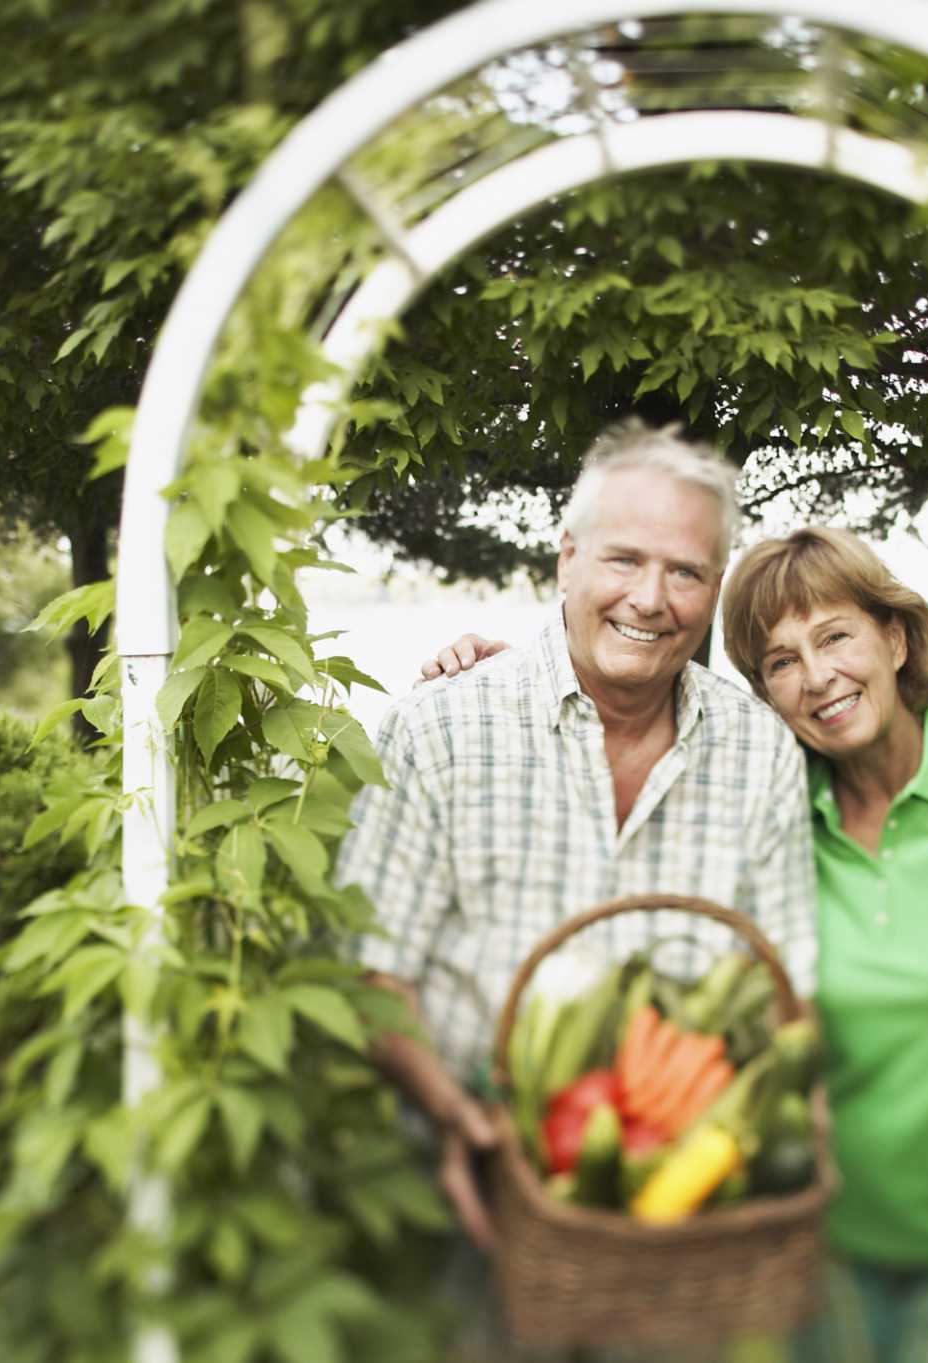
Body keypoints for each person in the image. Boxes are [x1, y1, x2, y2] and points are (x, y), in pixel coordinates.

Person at [424, 525, 928, 1362]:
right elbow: (606, 801)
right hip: (806, 1241)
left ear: (897, 635)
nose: (817, 677)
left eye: (835, 636)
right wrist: (502, 684)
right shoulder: (763, 808)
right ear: (765, 694)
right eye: (779, 661)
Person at [334, 420, 818, 1267]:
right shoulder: (440, 726)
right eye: (623, 559)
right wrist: (462, 1120)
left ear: (713, 588)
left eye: (685, 572)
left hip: (680, 1201)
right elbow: (375, 973)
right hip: (457, 1187)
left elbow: (781, 983)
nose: (650, 598)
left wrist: (773, 1143)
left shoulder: (757, 745)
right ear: (566, 557)